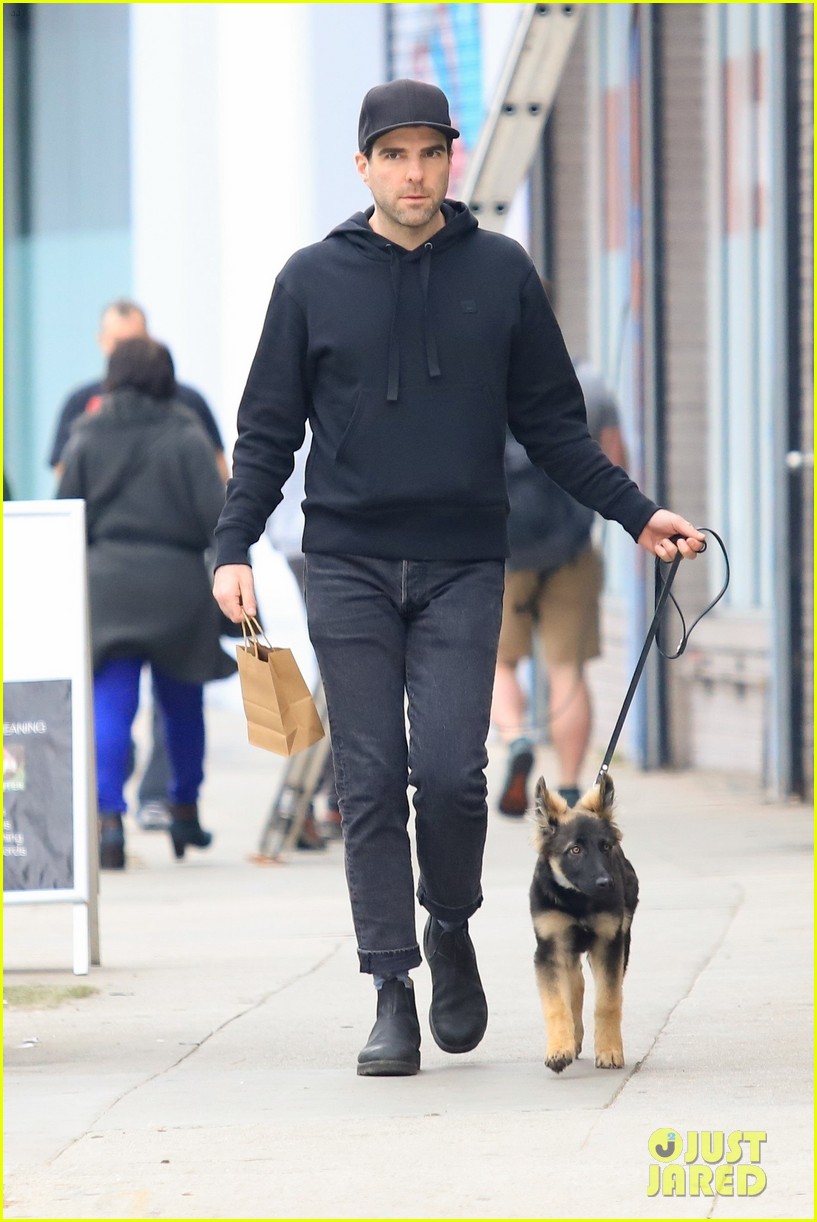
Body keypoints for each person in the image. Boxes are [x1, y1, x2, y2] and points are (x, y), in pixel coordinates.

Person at [212, 78, 704, 1077]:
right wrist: (230, 545)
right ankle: (391, 988)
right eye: (393, 156)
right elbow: (266, 431)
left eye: (428, 153)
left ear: (450, 159)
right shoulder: (310, 280)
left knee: (448, 774)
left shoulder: (501, 271)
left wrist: (636, 511)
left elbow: (554, 426)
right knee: (366, 779)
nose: (413, 173)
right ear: (363, 167)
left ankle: (448, 923)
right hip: (345, 563)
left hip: (464, 562)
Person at [50, 298, 229, 832]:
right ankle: (184, 808)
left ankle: (108, 819)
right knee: (182, 704)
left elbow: (66, 516)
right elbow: (217, 517)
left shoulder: (86, 436)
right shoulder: (188, 436)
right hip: (178, 588)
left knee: (112, 703)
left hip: (109, 587)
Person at [492, 358, 628, 814]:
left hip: (503, 551)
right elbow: (616, 465)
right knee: (567, 669)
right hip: (571, 548)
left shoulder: (484, 376)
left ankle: (517, 739)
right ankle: (569, 788)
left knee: (500, 663)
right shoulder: (591, 384)